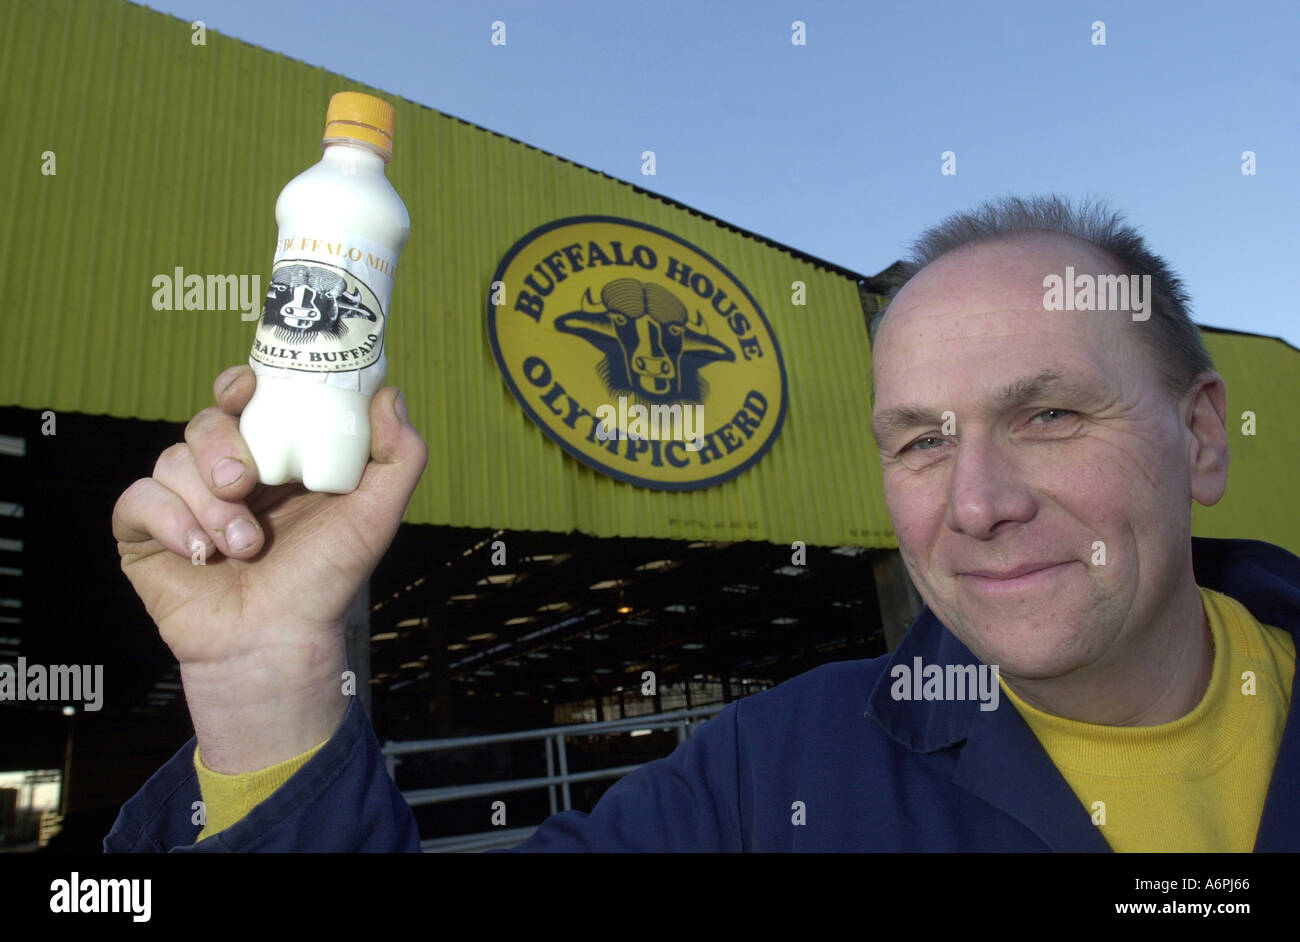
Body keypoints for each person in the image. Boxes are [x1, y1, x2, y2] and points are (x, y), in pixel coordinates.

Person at [106, 194, 1300, 852]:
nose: (977, 503)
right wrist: (269, 694)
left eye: (1045, 413)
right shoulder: (771, 776)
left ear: (1200, 438)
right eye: (921, 439)